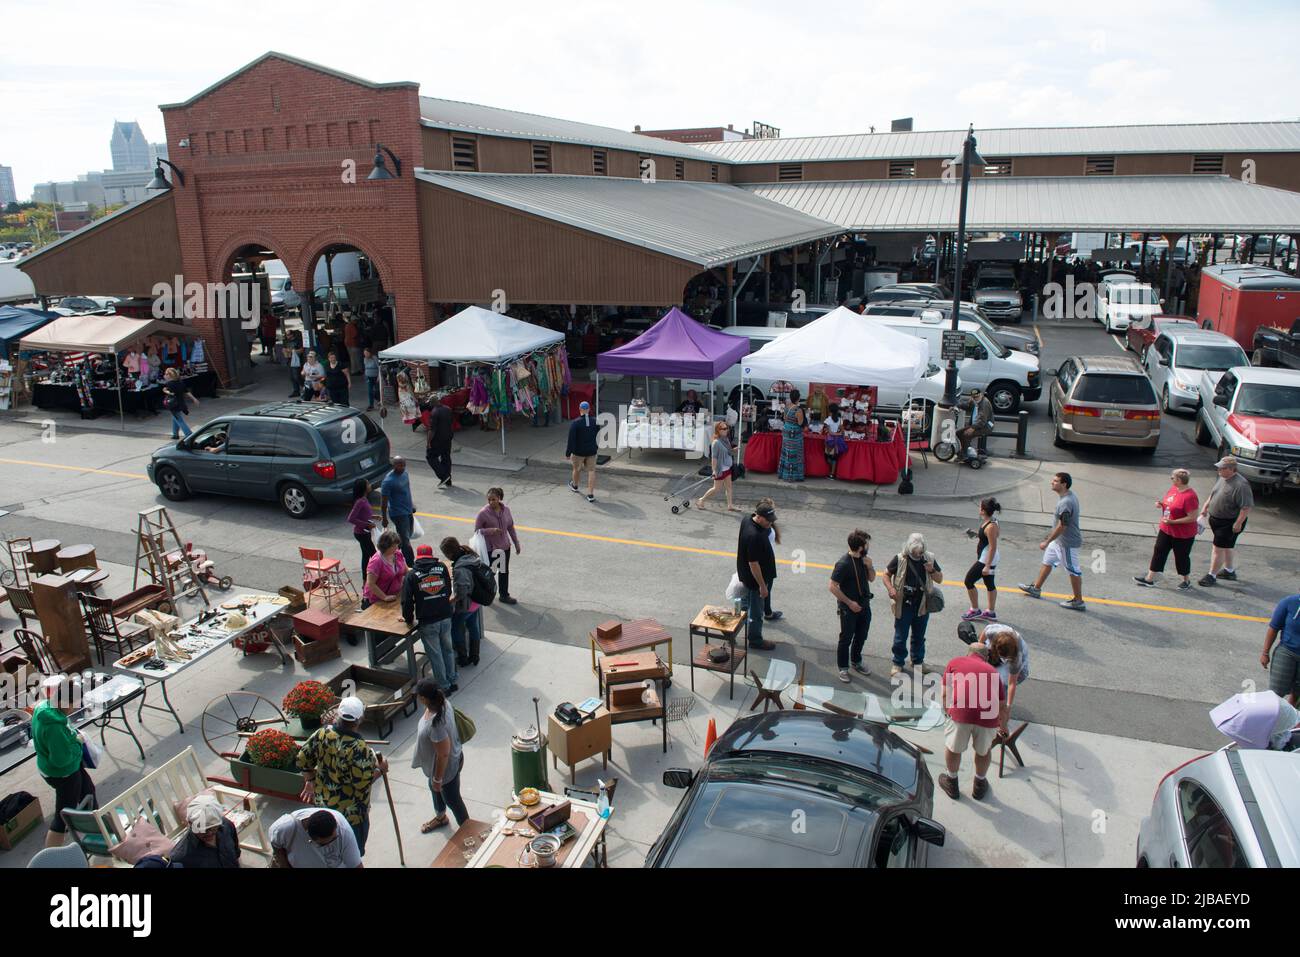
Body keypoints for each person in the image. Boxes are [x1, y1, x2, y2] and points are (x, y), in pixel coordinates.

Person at [296, 696, 386, 856]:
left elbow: (302, 760)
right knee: (352, 855)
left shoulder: (322, 733)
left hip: (324, 809)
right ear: (360, 720)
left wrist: (310, 780)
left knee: (327, 853)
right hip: (351, 817)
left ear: (338, 714)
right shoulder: (360, 749)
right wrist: (380, 769)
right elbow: (362, 783)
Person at [936, 643, 1007, 801]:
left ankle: (951, 781)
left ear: (968, 653)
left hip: (961, 713)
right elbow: (1002, 705)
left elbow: (945, 692)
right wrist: (1003, 727)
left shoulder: (954, 662)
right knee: (983, 751)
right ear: (986, 657)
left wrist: (949, 711)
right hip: (987, 718)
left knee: (954, 749)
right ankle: (979, 785)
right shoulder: (994, 672)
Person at [31, 676, 95, 847]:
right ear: (64, 701)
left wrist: (72, 737)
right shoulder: (54, 727)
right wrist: (78, 745)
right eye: (74, 703)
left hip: (61, 768)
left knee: (89, 793)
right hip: (63, 773)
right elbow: (61, 760)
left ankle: (97, 833)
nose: (75, 708)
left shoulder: (44, 708)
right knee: (62, 818)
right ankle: (51, 859)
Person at [1018, 472, 1086, 611]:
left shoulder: (1066, 502)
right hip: (1059, 541)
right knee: (1047, 562)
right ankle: (1036, 588)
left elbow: (1063, 525)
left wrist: (1047, 541)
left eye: (1055, 481)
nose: (1052, 482)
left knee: (1073, 571)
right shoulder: (1067, 496)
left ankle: (1078, 601)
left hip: (1067, 543)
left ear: (1064, 484)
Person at [412, 679, 469, 833]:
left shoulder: (436, 725)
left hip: (445, 771)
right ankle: (440, 817)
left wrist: (438, 779)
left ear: (424, 699)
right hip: (440, 768)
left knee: (453, 800)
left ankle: (469, 830)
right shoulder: (442, 703)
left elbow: (443, 754)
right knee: (433, 788)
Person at [882, 532, 943, 676]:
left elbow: (939, 579)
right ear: (909, 549)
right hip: (904, 604)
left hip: (922, 604)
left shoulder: (929, 558)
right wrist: (891, 589)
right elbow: (885, 575)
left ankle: (917, 662)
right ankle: (898, 663)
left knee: (919, 635)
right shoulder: (899, 558)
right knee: (900, 635)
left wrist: (932, 570)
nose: (918, 555)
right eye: (915, 553)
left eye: (920, 552)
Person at [402, 544, 457, 694]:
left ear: (418, 558)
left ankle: (444, 686)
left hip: (428, 621)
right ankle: (452, 680)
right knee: (448, 650)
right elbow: (447, 588)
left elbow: (406, 600)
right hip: (445, 616)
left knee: (436, 655)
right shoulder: (442, 568)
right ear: (431, 555)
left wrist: (408, 619)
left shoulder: (412, 575)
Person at [1135, 468, 1199, 590]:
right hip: (1166, 529)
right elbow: (1169, 503)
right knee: (1159, 551)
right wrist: (1161, 504)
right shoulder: (1174, 489)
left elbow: (1192, 517)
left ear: (1179, 480)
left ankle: (1186, 580)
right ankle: (1150, 578)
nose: (1171, 479)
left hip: (1182, 534)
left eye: (1172, 478)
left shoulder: (1190, 496)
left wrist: (1173, 522)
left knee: (1181, 556)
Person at [828, 528, 875, 682]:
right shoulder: (843, 564)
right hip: (849, 608)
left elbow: (872, 579)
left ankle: (856, 661)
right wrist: (849, 602)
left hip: (864, 605)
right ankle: (843, 668)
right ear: (860, 547)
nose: (868, 547)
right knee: (846, 638)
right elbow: (832, 586)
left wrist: (870, 566)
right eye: (866, 545)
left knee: (862, 635)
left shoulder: (864, 560)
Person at [1198, 455, 1253, 587]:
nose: (1219, 470)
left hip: (1229, 523)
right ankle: (1229, 571)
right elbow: (1214, 493)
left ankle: (1211, 575)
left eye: (1221, 468)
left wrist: (1238, 523)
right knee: (1228, 547)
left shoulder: (1241, 485)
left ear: (1231, 469)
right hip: (1217, 519)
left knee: (1218, 548)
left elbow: (1246, 507)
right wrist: (1205, 507)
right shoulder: (1223, 478)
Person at [735, 502, 778, 651]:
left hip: (745, 575)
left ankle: (734, 630)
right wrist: (762, 586)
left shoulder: (747, 519)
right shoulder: (755, 535)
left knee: (744, 607)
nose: (770, 523)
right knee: (756, 611)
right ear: (758, 517)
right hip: (754, 580)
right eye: (768, 520)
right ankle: (755, 640)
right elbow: (754, 563)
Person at [269, 808, 363, 869]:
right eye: (324, 844)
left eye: (334, 838)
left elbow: (356, 865)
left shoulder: (343, 831)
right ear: (311, 838)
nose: (332, 842)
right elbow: (276, 844)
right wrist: (284, 865)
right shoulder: (285, 828)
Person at [442, 536, 485, 666]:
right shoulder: (470, 556)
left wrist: (450, 600)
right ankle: (475, 655)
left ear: (449, 553)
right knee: (473, 626)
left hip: (467, 604)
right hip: (478, 600)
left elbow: (462, 592)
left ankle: (463, 658)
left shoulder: (460, 568)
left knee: (455, 629)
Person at [168, 795, 241, 868]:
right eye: (203, 829)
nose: (209, 833)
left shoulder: (227, 825)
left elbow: (236, 854)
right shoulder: (180, 857)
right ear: (190, 823)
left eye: (213, 827)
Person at [475, 487, 520, 604]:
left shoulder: (506, 510)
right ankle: (484, 594)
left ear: (499, 498)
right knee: (490, 573)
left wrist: (516, 543)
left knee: (504, 572)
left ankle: (504, 595)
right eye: (489, 500)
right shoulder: (483, 513)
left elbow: (510, 527)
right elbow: (477, 531)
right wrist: (491, 530)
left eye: (493, 499)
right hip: (492, 549)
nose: (491, 502)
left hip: (504, 547)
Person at [962, 498, 1002, 621]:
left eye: (980, 507)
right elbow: (986, 538)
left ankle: (975, 610)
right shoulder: (990, 521)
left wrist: (987, 565)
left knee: (968, 581)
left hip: (986, 559)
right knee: (989, 584)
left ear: (983, 510)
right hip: (987, 558)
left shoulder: (991, 526)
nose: (979, 509)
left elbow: (993, 547)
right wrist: (975, 534)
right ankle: (990, 612)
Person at [981, 623, 1029, 722]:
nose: (1002, 659)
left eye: (1004, 658)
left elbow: (1012, 683)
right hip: (996, 644)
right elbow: (980, 643)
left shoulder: (1016, 658)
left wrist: (1008, 707)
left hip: (1016, 654)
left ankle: (999, 708)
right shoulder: (991, 632)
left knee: (1003, 683)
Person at [348, 479, 376, 634]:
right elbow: (351, 519)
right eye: (368, 483)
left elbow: (365, 516)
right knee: (372, 558)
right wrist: (366, 525)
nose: (370, 485)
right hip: (361, 534)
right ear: (364, 488)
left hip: (364, 532)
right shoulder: (360, 501)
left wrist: (373, 518)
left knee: (367, 557)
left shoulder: (364, 500)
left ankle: (366, 582)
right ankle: (368, 585)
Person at [1261, 592, 1300, 704]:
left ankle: (1291, 719)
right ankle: (1270, 718)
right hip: (1286, 652)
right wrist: (1265, 653)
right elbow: (1273, 628)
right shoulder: (1289, 602)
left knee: (1297, 694)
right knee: (1275, 693)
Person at [697, 420, 741, 512]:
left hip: (727, 468)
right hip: (720, 469)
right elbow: (714, 458)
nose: (726, 430)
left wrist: (733, 450)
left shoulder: (726, 439)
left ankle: (730, 505)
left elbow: (728, 451)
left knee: (729, 487)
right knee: (716, 489)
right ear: (718, 430)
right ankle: (701, 500)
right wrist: (714, 470)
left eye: (727, 428)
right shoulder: (716, 443)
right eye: (724, 428)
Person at [380, 456, 416, 566]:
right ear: (394, 465)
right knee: (405, 541)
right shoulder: (388, 481)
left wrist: (412, 505)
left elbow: (407, 490)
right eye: (399, 464)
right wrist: (384, 518)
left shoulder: (405, 474)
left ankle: (395, 554)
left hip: (408, 510)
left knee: (407, 535)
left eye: (403, 464)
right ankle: (410, 565)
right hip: (398, 514)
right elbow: (384, 502)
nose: (402, 467)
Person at [566, 400, 600, 503]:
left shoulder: (575, 423)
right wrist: (595, 447)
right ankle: (590, 494)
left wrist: (568, 453)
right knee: (591, 471)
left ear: (580, 409)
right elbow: (598, 436)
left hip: (578, 452)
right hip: (591, 451)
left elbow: (571, 439)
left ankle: (575, 486)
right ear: (589, 409)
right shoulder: (595, 421)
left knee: (576, 469)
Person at [365, 529, 407, 609]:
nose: (397, 547)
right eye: (394, 546)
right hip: (378, 601)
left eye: (397, 545)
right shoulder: (376, 561)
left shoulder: (398, 554)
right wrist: (384, 597)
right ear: (386, 546)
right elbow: (371, 583)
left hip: (395, 596)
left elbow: (406, 571)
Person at [758, 495, 783, 621]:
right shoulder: (766, 529)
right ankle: (766, 613)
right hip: (765, 565)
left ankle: (766, 611)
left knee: (765, 589)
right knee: (765, 590)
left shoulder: (767, 526)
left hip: (767, 562)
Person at [957, 388, 994, 459]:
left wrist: (972, 428)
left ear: (981, 395)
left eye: (977, 396)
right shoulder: (973, 400)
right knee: (959, 433)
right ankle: (966, 450)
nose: (976, 398)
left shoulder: (984, 404)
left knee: (966, 434)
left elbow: (982, 421)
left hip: (985, 426)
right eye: (974, 397)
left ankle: (965, 454)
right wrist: (957, 405)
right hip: (976, 424)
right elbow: (967, 406)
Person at [777, 389, 805, 482]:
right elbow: (800, 423)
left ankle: (783, 474)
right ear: (799, 398)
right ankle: (792, 476)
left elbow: (785, 418)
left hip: (786, 432)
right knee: (794, 455)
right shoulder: (798, 410)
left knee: (786, 453)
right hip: (794, 434)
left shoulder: (787, 407)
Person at [162, 367, 197, 440]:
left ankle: (189, 435)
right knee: (175, 418)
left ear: (170, 375)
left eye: (166, 374)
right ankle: (175, 434)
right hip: (180, 403)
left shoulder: (169, 384)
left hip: (174, 404)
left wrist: (165, 391)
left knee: (179, 420)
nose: (165, 375)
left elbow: (172, 393)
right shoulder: (180, 382)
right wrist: (194, 398)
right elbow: (186, 391)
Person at [426, 400, 454, 489]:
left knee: (430, 457)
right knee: (446, 457)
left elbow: (432, 430)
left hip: (437, 440)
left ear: (432, 404)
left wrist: (428, 442)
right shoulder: (448, 409)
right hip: (448, 437)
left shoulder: (434, 412)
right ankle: (448, 480)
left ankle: (443, 476)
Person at [823, 403, 847, 480]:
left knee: (827, 457)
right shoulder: (840, 420)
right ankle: (832, 474)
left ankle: (831, 473)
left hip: (830, 441)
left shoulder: (828, 420)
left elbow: (829, 432)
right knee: (835, 458)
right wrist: (839, 434)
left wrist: (835, 434)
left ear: (830, 411)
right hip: (838, 441)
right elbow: (842, 431)